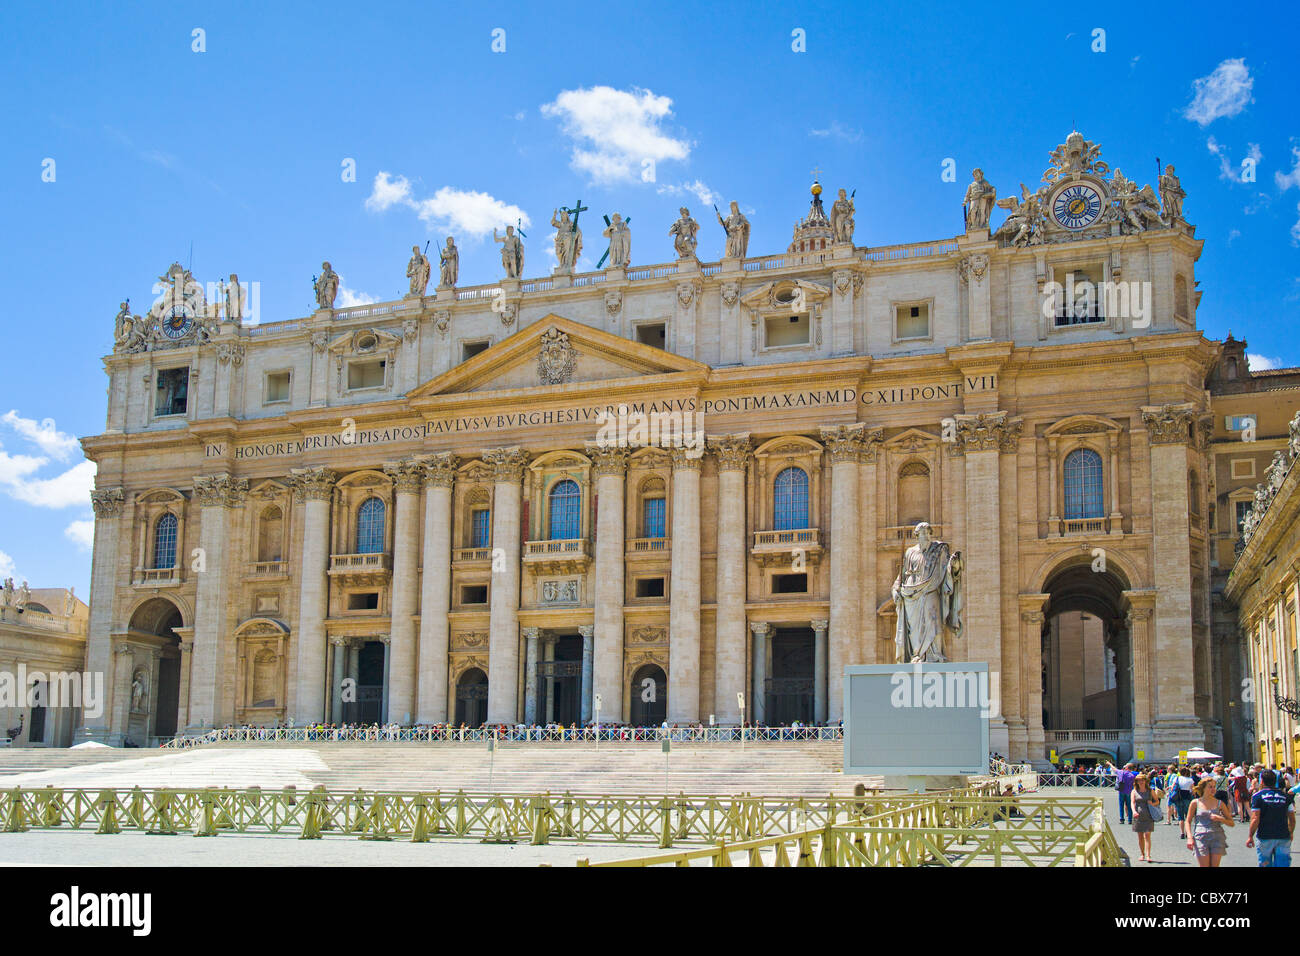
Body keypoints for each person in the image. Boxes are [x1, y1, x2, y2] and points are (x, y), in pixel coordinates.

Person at [1246, 769, 1295, 867]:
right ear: (1275, 781)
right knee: (1283, 864)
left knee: (1265, 864)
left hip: (1265, 836)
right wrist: (1290, 832)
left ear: (1262, 781)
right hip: (1283, 835)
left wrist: (1250, 836)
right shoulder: (1286, 797)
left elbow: (1255, 818)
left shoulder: (1257, 796)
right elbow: (1292, 819)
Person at [1186, 776, 1233, 867]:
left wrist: (1220, 819)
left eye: (1214, 786)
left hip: (1217, 836)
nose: (1213, 789)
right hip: (1200, 837)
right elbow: (1188, 821)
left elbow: (1231, 822)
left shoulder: (1220, 803)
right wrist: (1189, 837)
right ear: (1203, 788)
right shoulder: (1195, 802)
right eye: (1210, 787)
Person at [1130, 773, 1159, 862]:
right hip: (1138, 816)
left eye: (1142, 780)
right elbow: (1132, 802)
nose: (1141, 782)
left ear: (1145, 781)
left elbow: (1157, 801)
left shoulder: (1150, 791)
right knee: (1140, 836)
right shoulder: (1134, 791)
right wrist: (1134, 811)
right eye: (1139, 780)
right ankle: (1142, 854)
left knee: (1147, 835)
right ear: (1136, 782)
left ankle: (1148, 855)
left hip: (1148, 815)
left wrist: (1152, 804)